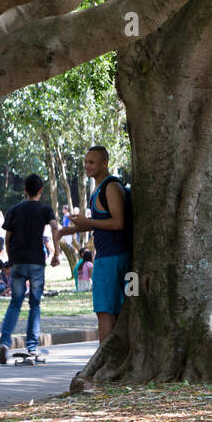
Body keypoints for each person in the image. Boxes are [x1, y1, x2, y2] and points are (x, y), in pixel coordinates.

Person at [60, 145, 130, 343]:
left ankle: (105, 359)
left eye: (92, 162)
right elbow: (103, 223)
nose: (87, 166)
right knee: (111, 310)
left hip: (112, 257)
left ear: (104, 163)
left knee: (105, 310)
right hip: (109, 256)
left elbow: (118, 222)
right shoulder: (98, 189)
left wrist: (88, 222)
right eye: (85, 162)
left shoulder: (111, 187)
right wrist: (73, 229)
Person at [0, 174, 56, 364]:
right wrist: (56, 253)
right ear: (41, 190)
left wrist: (11, 259)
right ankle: (31, 346)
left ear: (25, 190)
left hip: (18, 262)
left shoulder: (15, 210)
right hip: (36, 262)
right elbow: (55, 227)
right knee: (35, 304)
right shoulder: (45, 209)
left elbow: (7, 239)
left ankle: (5, 343)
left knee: (15, 302)